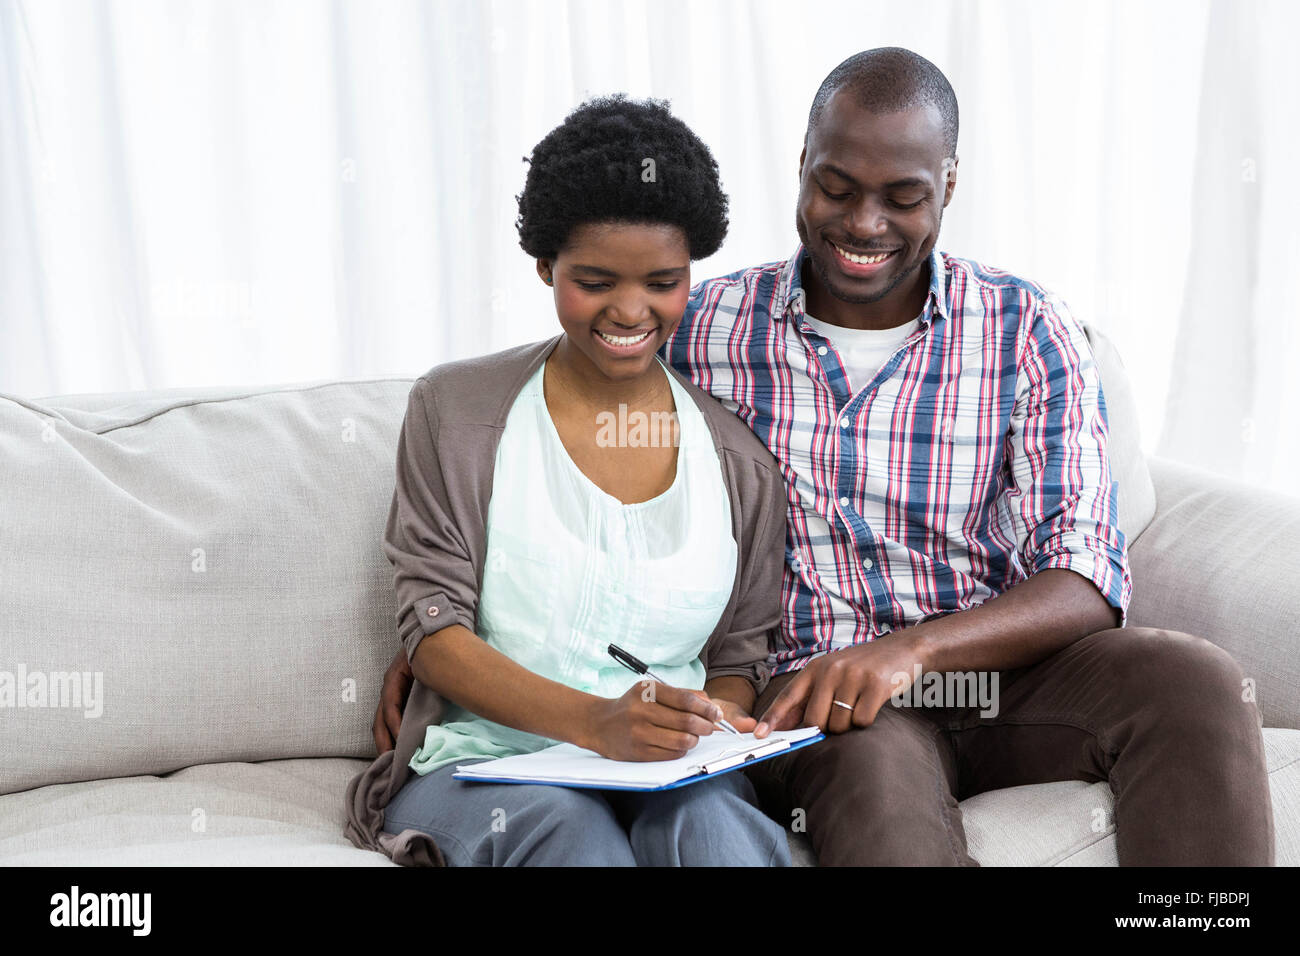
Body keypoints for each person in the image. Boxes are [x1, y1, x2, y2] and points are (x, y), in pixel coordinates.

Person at [374, 49, 1275, 866]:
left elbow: (1085, 572)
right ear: (800, 168)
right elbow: (563, 406)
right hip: (825, 705)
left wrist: (909, 653)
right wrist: (451, 637)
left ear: (949, 185)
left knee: (1192, 679)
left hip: (1005, 677)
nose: (865, 221)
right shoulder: (703, 322)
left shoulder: (1025, 329)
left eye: (904, 195)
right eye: (836, 187)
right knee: (879, 798)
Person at [345, 94, 792, 867]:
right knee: (577, 840)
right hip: (486, 764)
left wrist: (695, 725)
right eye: (594, 280)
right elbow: (433, 629)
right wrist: (594, 724)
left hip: (666, 774)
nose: (631, 309)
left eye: (662, 281)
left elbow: (738, 661)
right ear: (546, 263)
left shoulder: (739, 463)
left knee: (717, 836)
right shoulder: (456, 413)